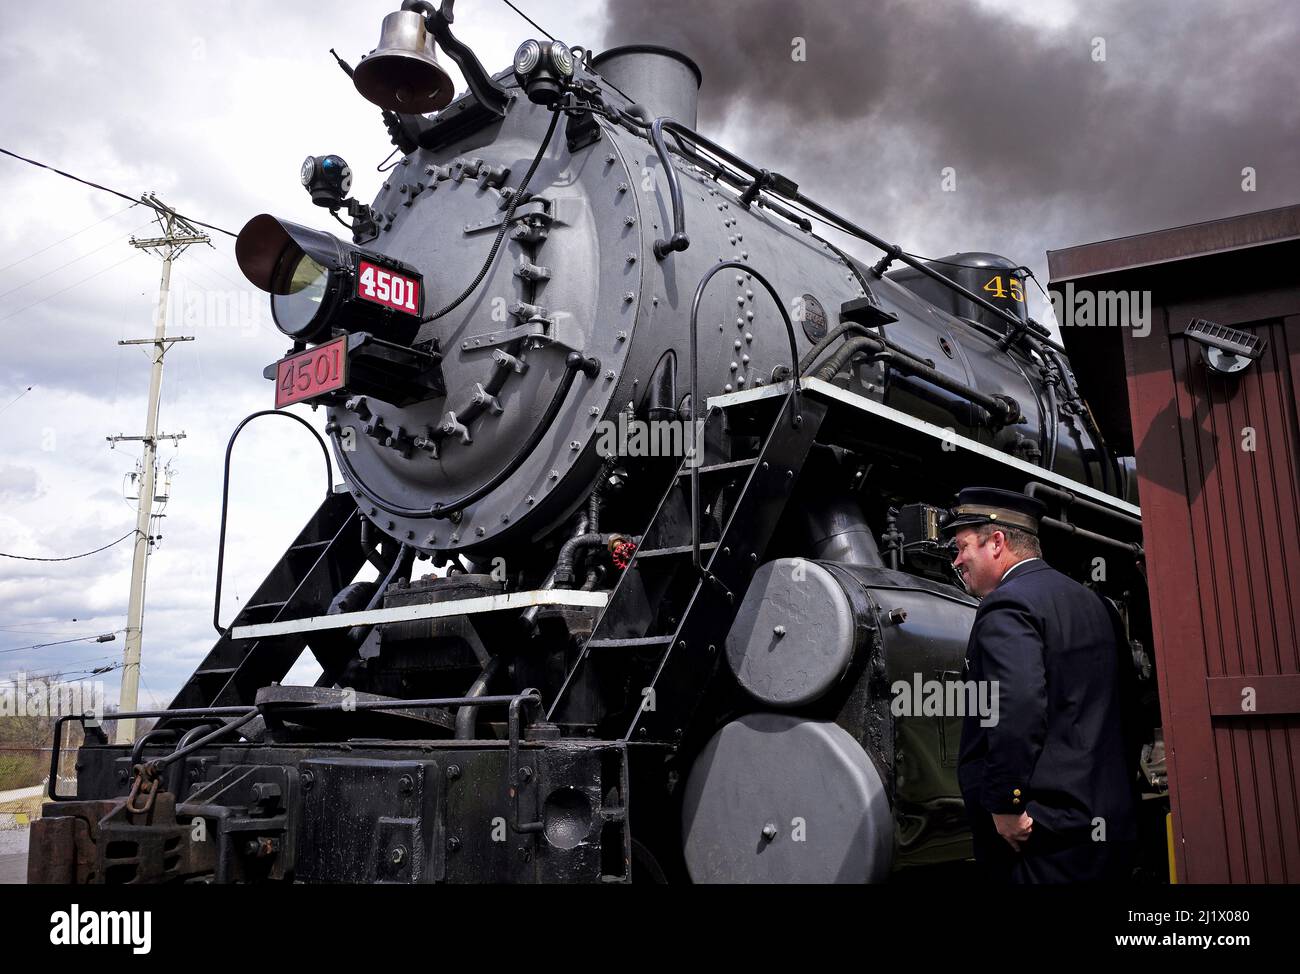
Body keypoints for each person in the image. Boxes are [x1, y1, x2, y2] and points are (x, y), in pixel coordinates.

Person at [944, 487, 1138, 883]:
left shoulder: (1007, 604)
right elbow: (1128, 707)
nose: (957, 560)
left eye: (962, 546)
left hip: (1040, 834)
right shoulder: (1096, 603)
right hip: (1106, 823)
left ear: (997, 542)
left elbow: (1015, 707)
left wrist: (1006, 804)